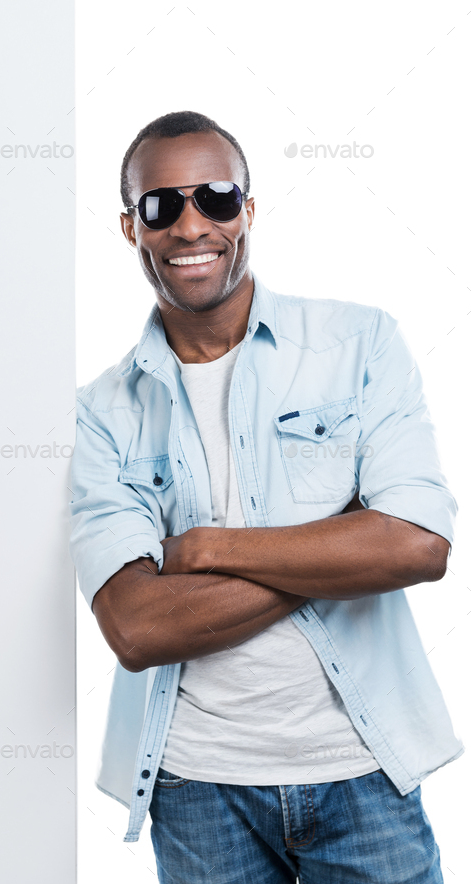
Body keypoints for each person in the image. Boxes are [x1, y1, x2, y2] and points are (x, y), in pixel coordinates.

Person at [70, 110, 463, 883]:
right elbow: (136, 627)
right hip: (196, 789)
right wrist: (343, 541)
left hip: (363, 771)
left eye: (216, 198)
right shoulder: (101, 411)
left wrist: (207, 548)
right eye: (162, 206)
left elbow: (418, 545)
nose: (192, 226)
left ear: (248, 210)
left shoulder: (359, 345)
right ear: (130, 228)